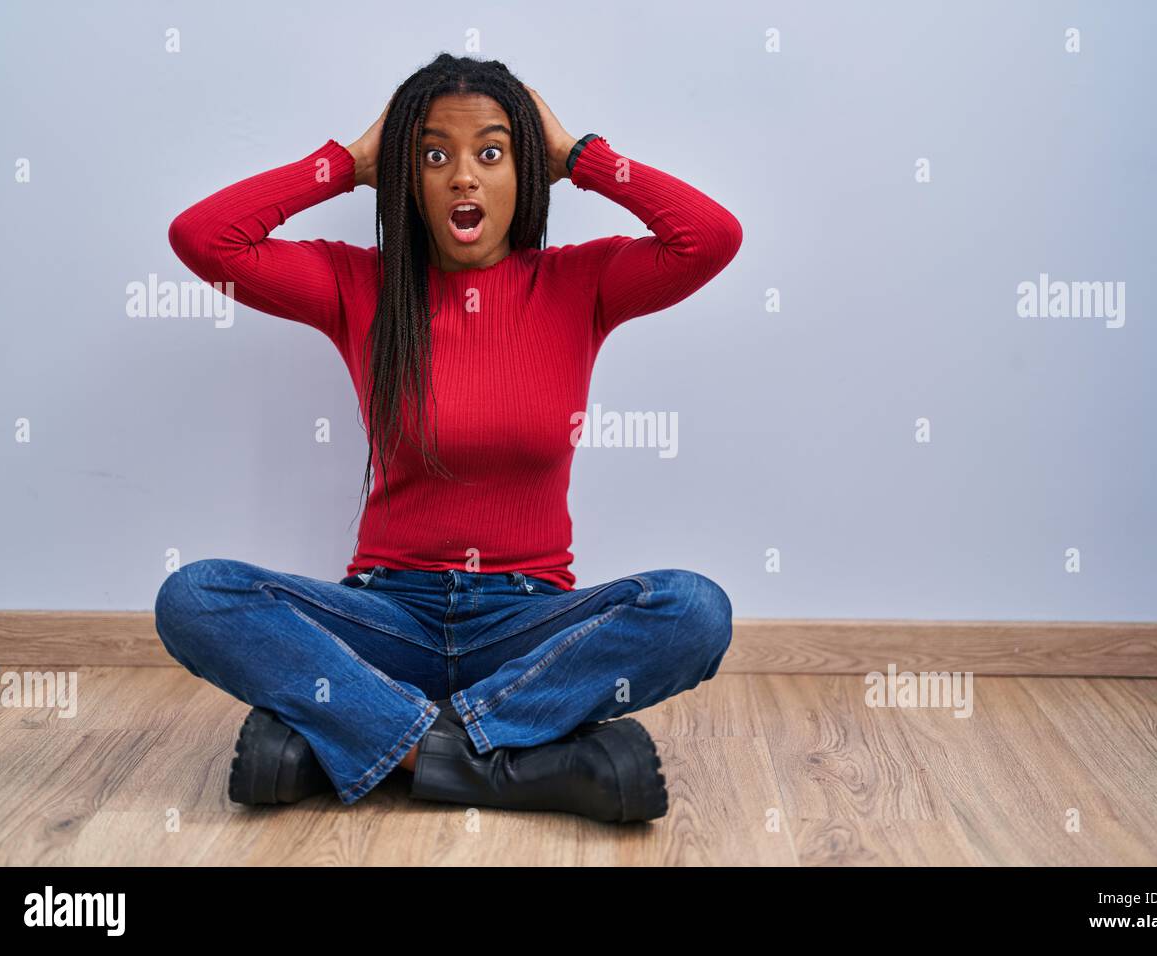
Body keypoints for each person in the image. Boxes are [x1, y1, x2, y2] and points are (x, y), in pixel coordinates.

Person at [155, 53, 743, 823]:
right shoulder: (357, 284)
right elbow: (203, 239)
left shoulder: (580, 283)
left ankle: (369, 743)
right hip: (384, 617)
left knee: (695, 609)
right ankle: (503, 756)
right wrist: (344, 163)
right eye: (434, 155)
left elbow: (711, 236)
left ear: (521, 174)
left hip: (526, 622)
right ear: (407, 179)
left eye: (491, 153)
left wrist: (578, 157)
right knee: (195, 594)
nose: (463, 176)